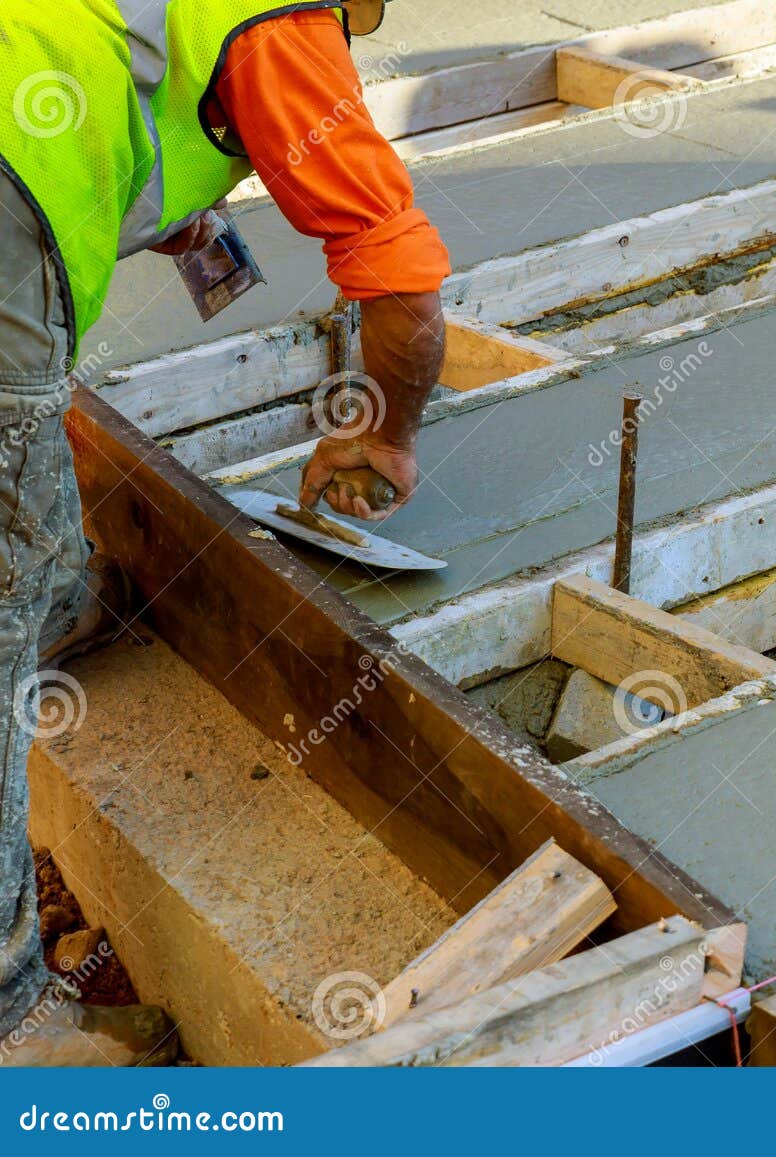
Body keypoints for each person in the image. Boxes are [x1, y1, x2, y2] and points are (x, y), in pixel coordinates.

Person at [0, 0, 448, 1065]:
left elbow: (114, 77)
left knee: (34, 553)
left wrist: (180, 214)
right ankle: (12, 1022)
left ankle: (59, 598)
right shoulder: (282, 22)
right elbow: (401, 276)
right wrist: (384, 433)